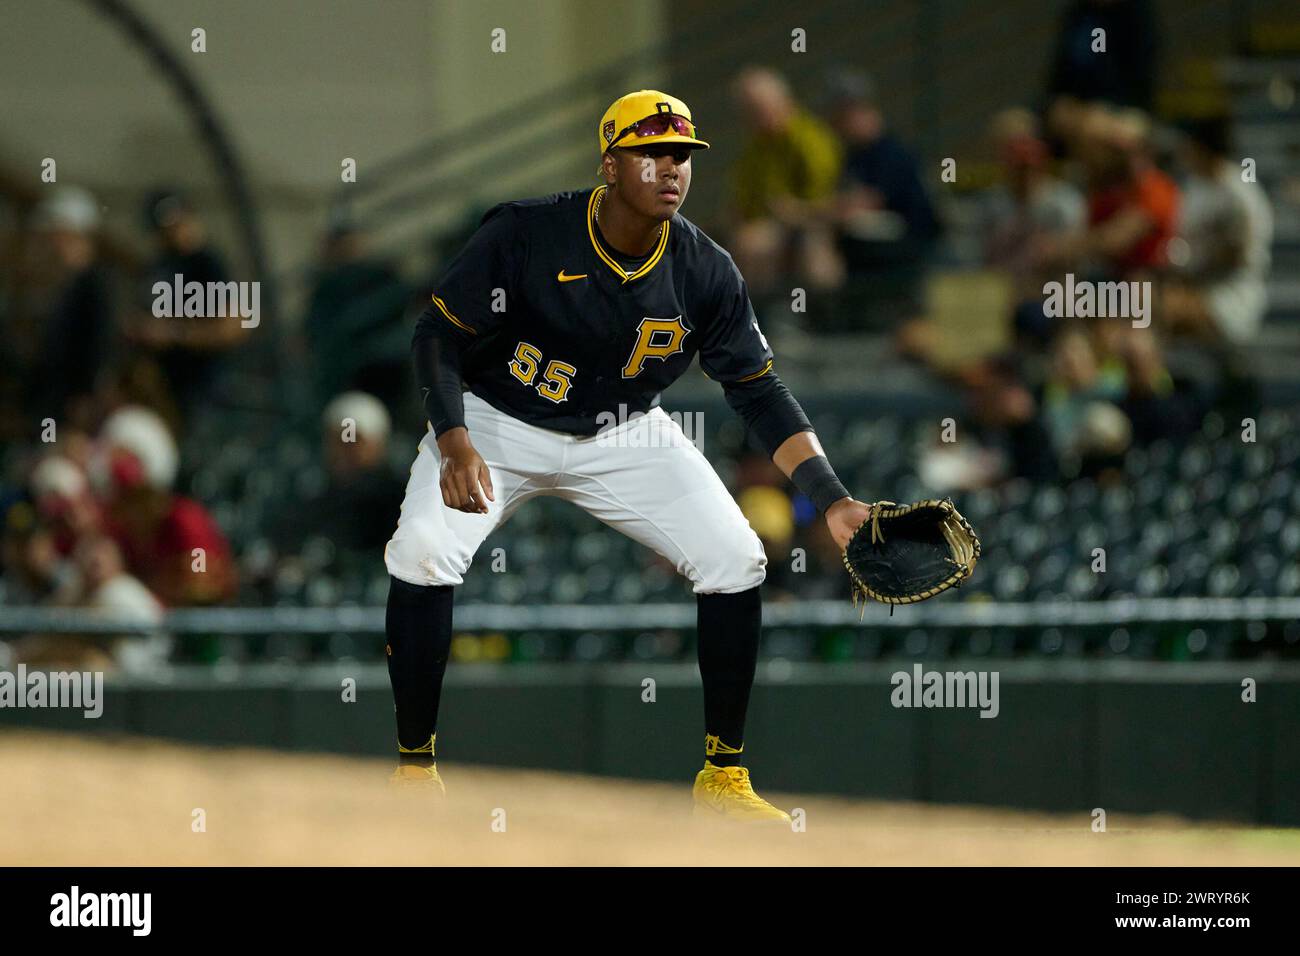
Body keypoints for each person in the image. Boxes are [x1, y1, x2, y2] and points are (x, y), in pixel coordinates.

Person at [383, 90, 873, 821]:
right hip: (496, 421)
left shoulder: (705, 270)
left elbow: (760, 391)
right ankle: (416, 770)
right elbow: (436, 335)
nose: (671, 168)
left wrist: (833, 497)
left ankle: (723, 776)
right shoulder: (527, 234)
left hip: (623, 432)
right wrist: (452, 436)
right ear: (610, 164)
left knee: (737, 558)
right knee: (422, 551)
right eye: (652, 153)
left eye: (681, 155)